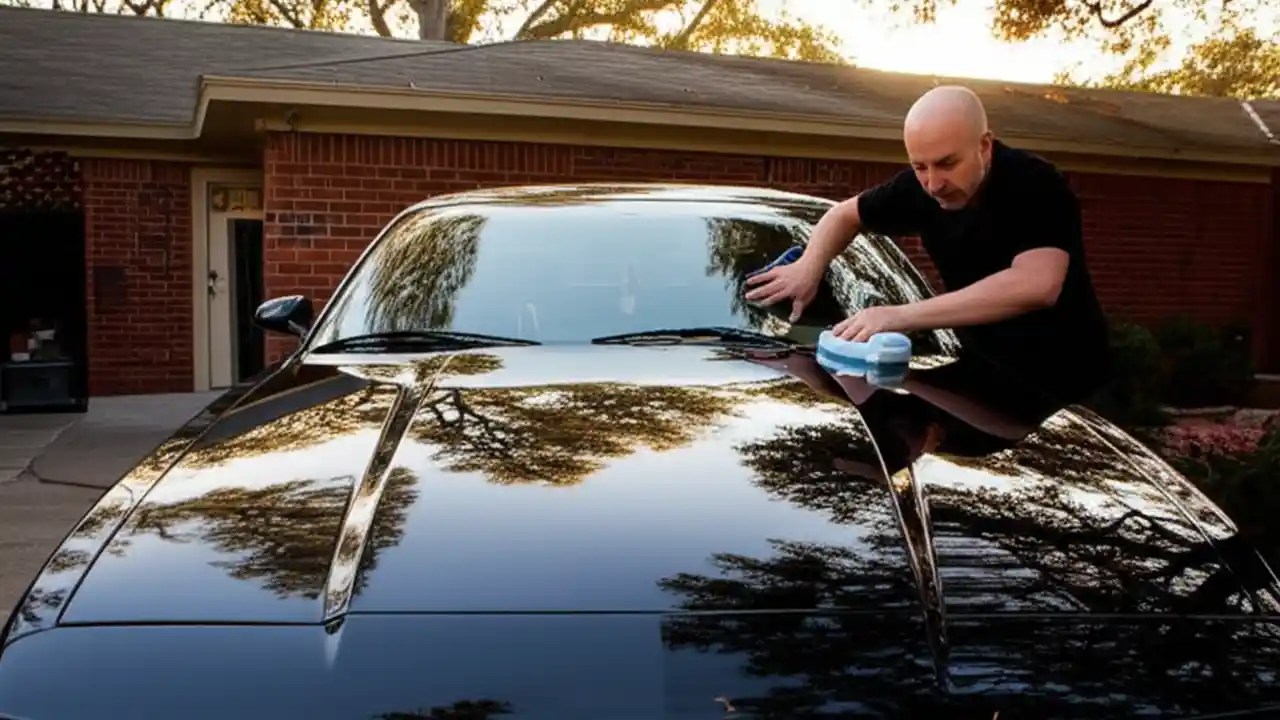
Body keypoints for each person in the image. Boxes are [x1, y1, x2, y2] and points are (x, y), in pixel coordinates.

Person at [743, 84, 1112, 404]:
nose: (934, 184)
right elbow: (844, 215)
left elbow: (1036, 285)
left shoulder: (1035, 184)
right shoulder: (918, 190)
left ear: (984, 146)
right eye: (920, 167)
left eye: (947, 163)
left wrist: (898, 315)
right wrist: (809, 267)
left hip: (1068, 389)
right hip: (977, 378)